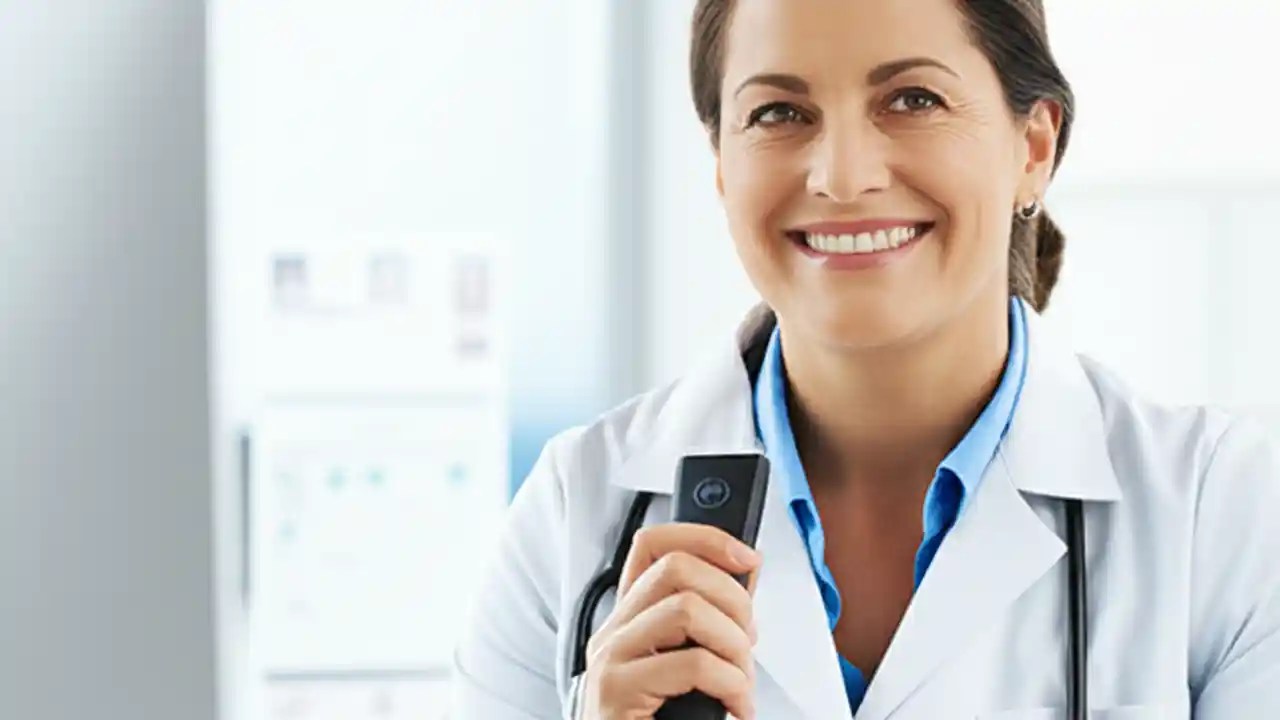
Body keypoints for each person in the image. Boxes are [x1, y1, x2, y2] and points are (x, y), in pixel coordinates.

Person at [452, 0, 1280, 717]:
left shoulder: (1223, 510)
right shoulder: (575, 516)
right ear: (719, 165)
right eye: (779, 113)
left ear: (1033, 148)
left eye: (912, 99)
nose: (842, 177)